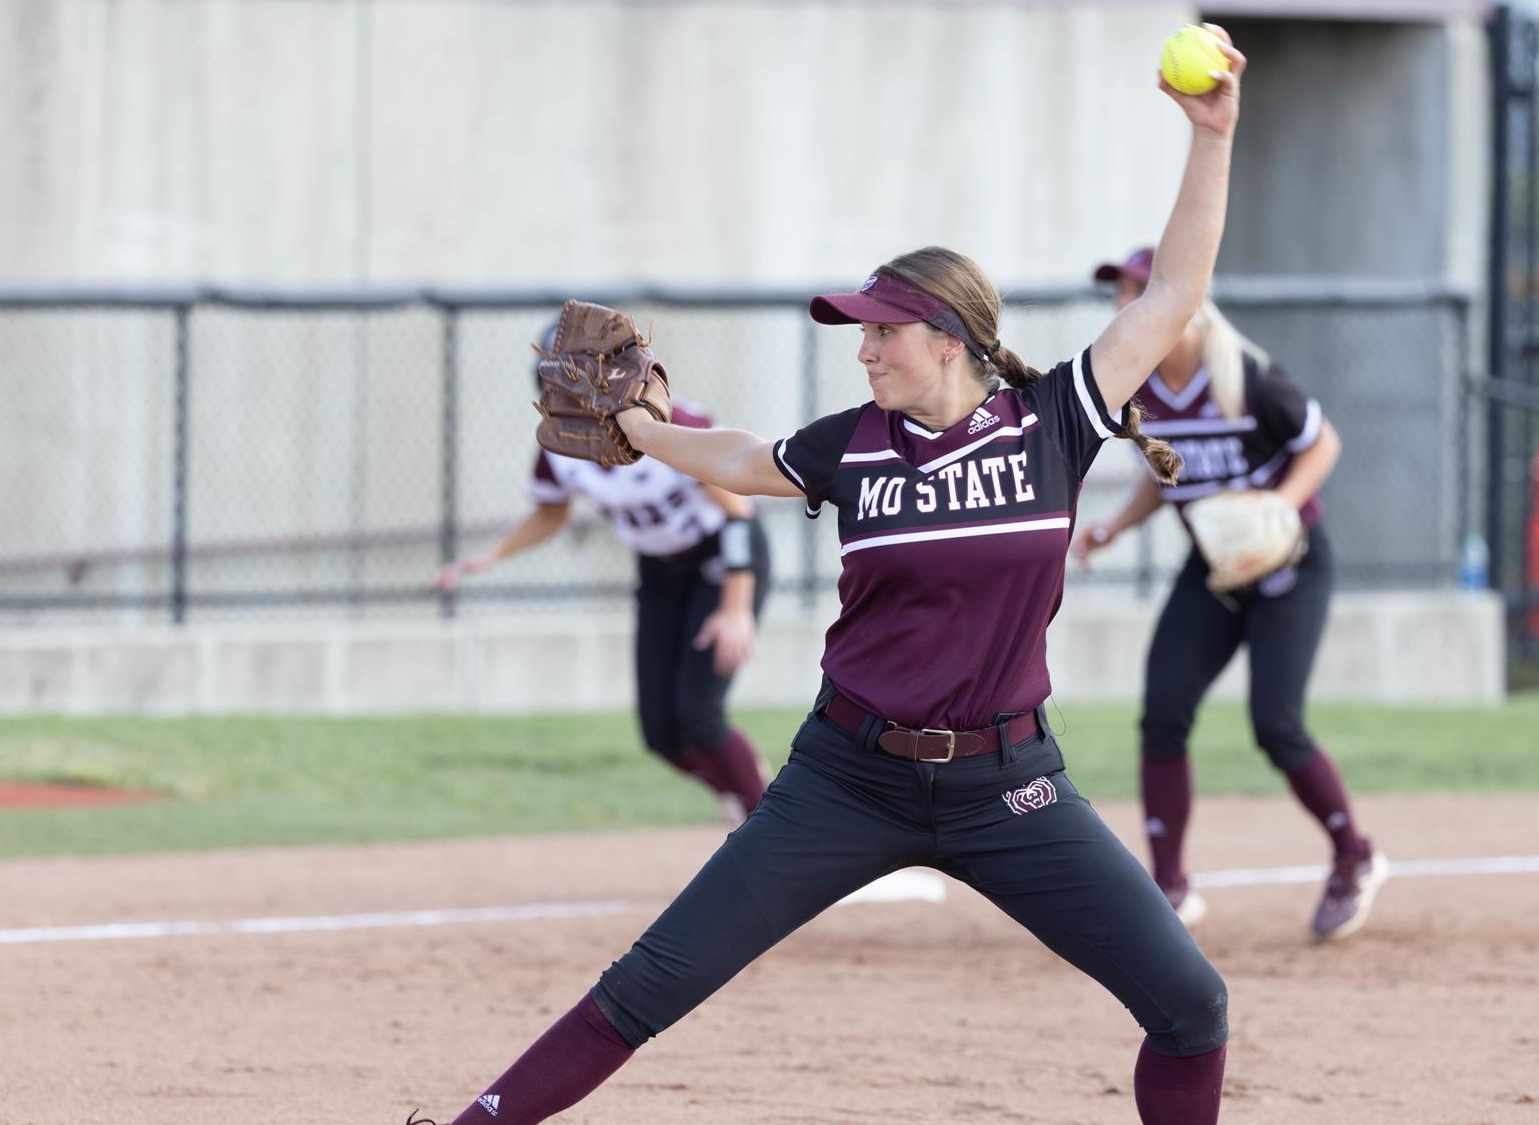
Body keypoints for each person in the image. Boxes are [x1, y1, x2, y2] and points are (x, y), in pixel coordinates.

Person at [415, 31, 1245, 1125]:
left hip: (1012, 785)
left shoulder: (1051, 426)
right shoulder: (852, 444)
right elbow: (737, 459)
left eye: (880, 335)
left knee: (1189, 1002)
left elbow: (1173, 293)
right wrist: (634, 422)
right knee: (652, 982)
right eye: (858, 336)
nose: (862, 352)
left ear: (946, 340)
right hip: (845, 779)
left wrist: (1211, 137)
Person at [1073, 248, 1386, 941]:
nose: (1122, 304)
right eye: (1121, 292)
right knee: (1163, 711)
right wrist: (1114, 527)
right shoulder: (1141, 390)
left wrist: (1280, 506)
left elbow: (1322, 442)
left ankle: (1353, 857)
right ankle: (1169, 890)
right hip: (1214, 572)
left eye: (1134, 289)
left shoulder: (1243, 373)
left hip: (1287, 568)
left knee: (1276, 723)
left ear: (1175, 298)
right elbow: (1166, 477)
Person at [433, 345, 772, 826]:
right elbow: (551, 514)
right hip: (658, 570)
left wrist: (736, 608)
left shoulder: (671, 429)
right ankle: (745, 788)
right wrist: (484, 559)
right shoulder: (561, 450)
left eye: (583, 389)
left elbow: (738, 512)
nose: (573, 406)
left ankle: (768, 822)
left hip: (721, 562)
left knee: (699, 715)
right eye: (559, 394)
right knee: (661, 734)